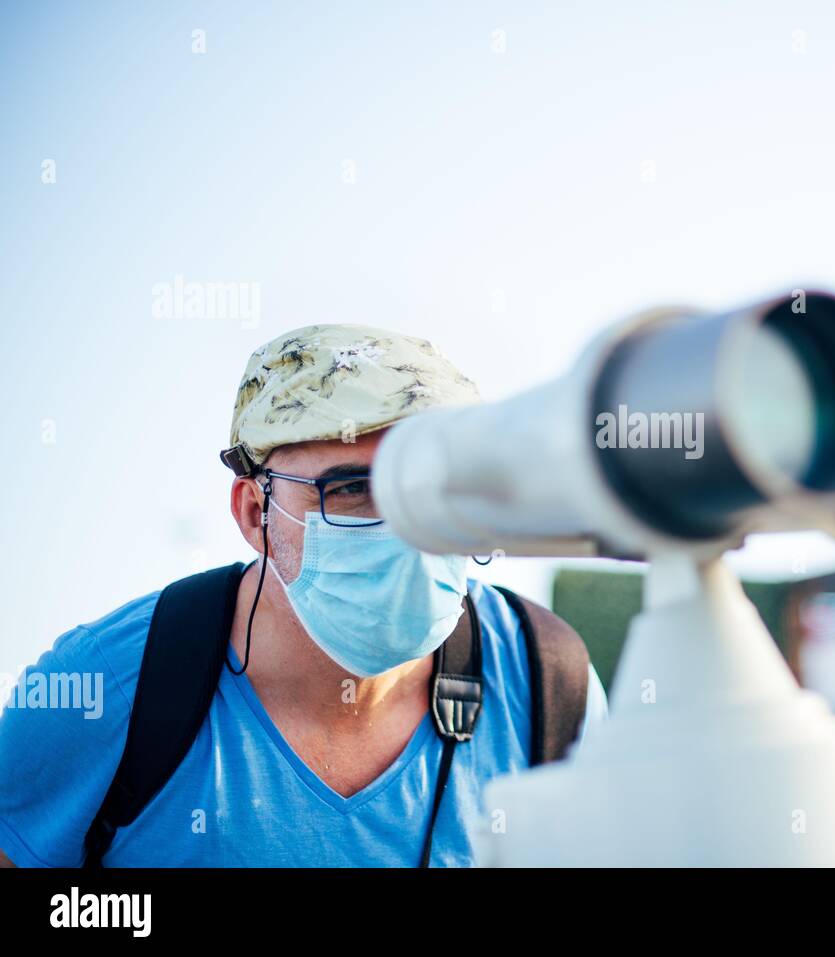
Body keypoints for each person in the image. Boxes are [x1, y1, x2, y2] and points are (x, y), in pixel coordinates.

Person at [0, 324, 607, 867]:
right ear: (254, 512)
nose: (405, 528)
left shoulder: (548, 685)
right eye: (349, 489)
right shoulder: (106, 690)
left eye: (437, 489)